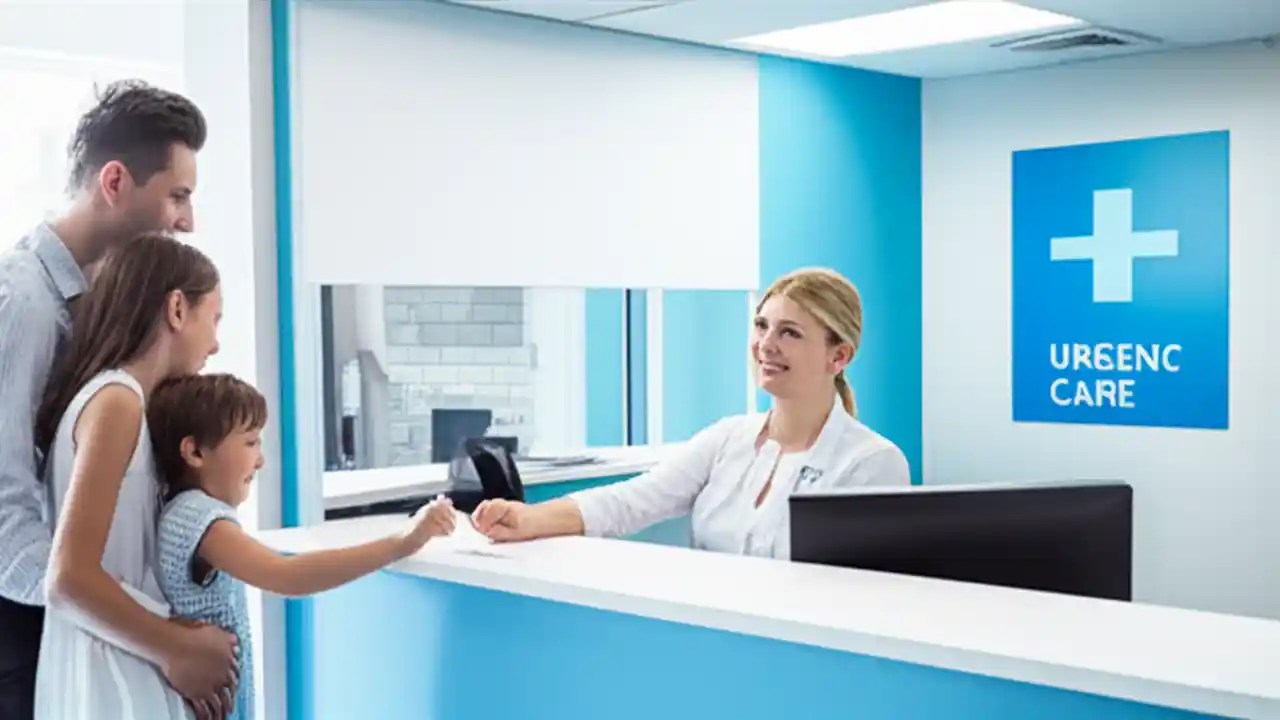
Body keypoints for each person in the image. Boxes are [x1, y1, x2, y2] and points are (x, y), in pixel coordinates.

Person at [0, 79, 212, 718]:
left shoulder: (103, 305)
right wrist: (130, 628)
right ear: (115, 182)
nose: (187, 221)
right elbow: (6, 513)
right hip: (25, 622)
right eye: (177, 195)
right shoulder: (26, 305)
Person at [473, 267, 910, 559]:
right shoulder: (728, 439)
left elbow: (865, 593)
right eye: (761, 325)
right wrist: (529, 518)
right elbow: (629, 502)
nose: (766, 344)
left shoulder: (871, 463)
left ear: (839, 357)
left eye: (790, 332)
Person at [147, 373, 457, 720]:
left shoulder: (179, 510)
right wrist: (403, 541)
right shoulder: (198, 516)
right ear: (194, 452)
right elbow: (287, 575)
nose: (260, 460)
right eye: (250, 443)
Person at [33, 235, 237, 719]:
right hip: (113, 670)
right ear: (176, 309)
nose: (216, 342)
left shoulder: (119, 402)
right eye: (215, 318)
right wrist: (175, 647)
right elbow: (68, 578)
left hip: (111, 657)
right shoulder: (118, 401)